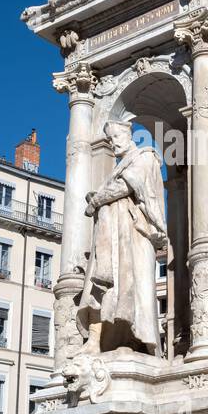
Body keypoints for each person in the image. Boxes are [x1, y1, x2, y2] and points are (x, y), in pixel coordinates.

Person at [77, 121, 168, 356]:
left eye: (116, 136)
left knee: (135, 289)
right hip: (113, 236)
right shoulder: (117, 169)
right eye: (109, 139)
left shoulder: (145, 157)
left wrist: (97, 201)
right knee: (105, 289)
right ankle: (97, 341)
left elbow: (126, 186)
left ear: (129, 135)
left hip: (136, 234)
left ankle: (137, 339)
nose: (113, 142)